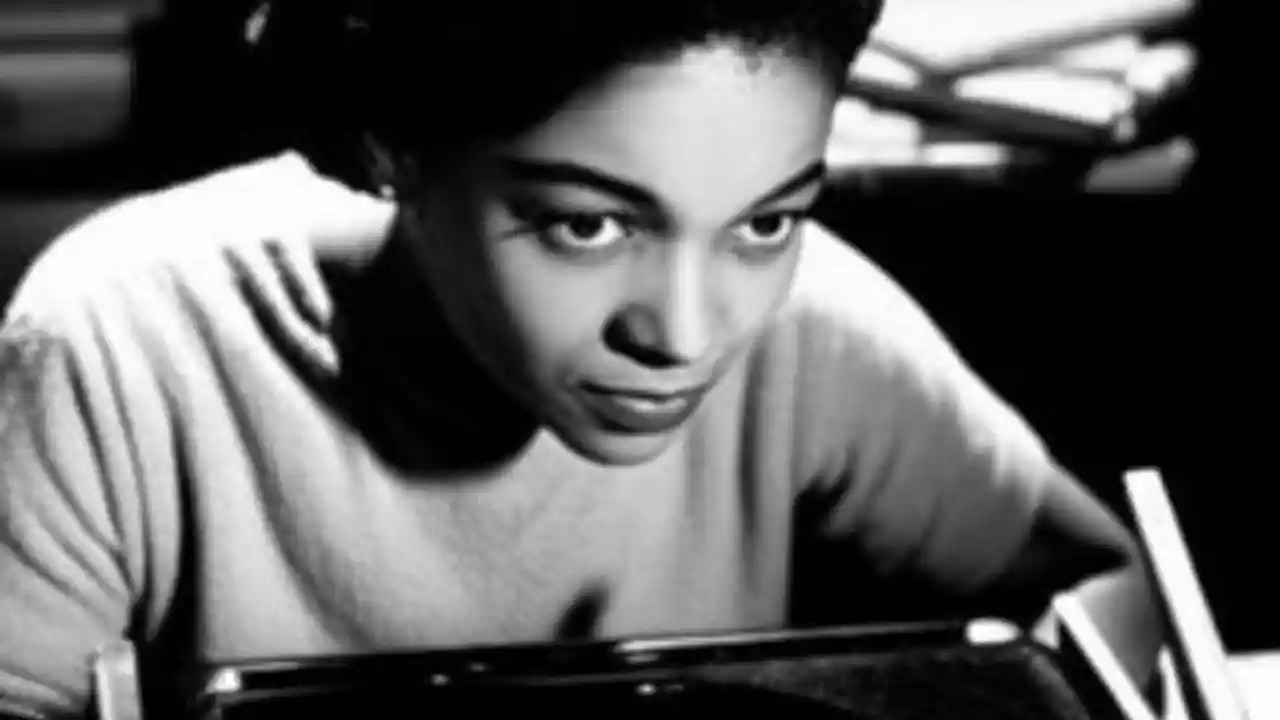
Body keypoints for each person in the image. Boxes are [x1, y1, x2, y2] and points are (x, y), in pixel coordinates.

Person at [0, 1, 1163, 718]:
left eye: (765, 220)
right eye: (588, 225)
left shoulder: (816, 322)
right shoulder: (121, 336)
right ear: (392, 148)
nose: (691, 332)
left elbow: (1110, 592)